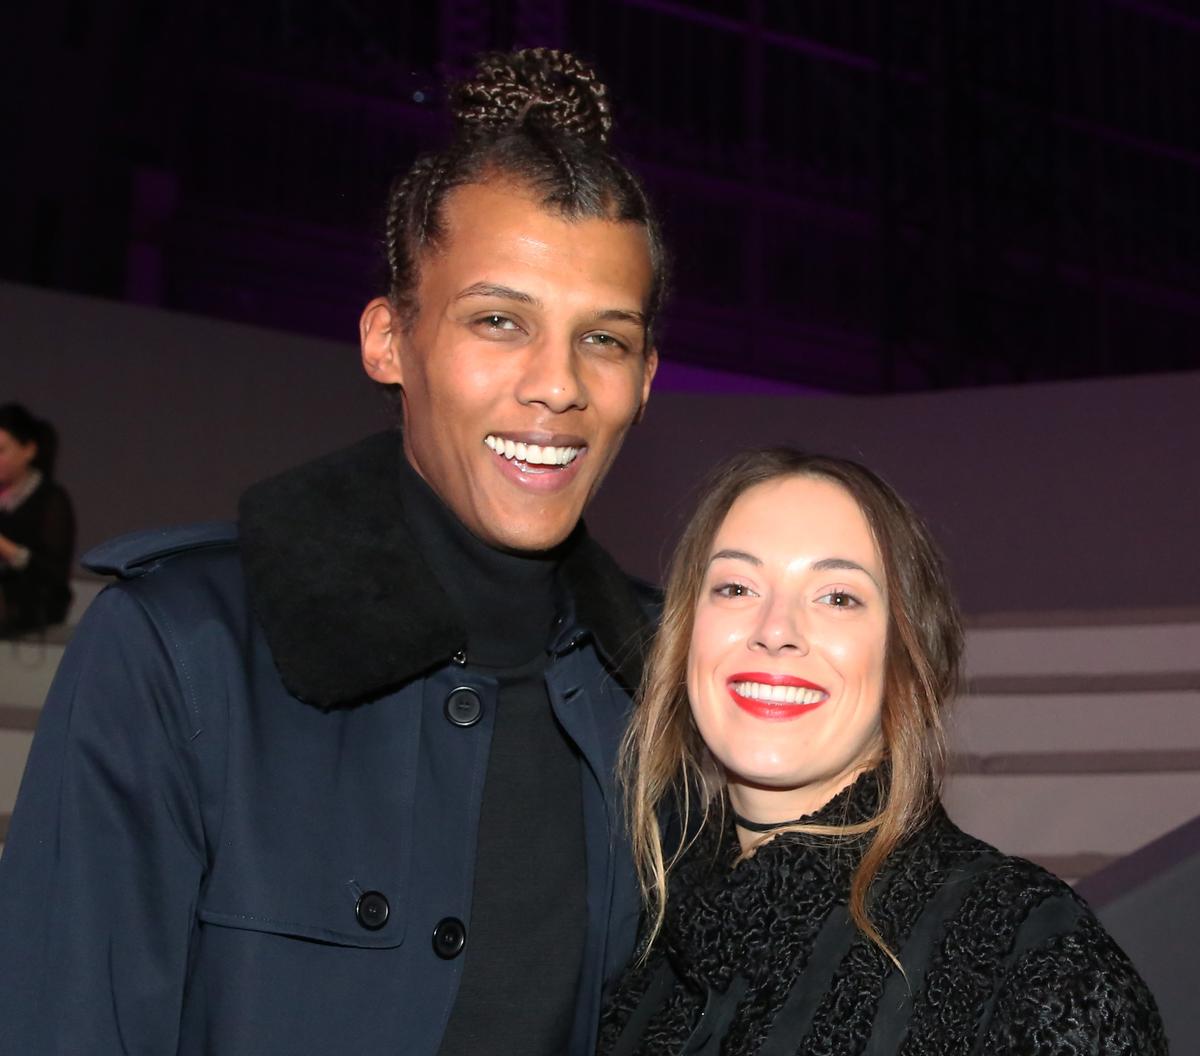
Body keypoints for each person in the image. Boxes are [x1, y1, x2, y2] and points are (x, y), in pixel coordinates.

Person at [0, 50, 664, 1055]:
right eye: (499, 320)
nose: (558, 385)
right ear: (388, 340)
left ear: (646, 378)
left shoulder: (668, 695)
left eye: (604, 339)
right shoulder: (181, 651)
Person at [599, 449, 1166, 1055]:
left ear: (907, 657)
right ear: (684, 635)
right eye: (736, 588)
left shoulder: (1028, 957)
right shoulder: (633, 944)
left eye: (837, 597)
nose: (775, 629)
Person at [0, 402, 75, 636]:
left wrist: (6, 548)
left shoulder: (51, 498)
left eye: (1, 450)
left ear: (29, 450)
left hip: (36, 600)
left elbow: (52, 573)